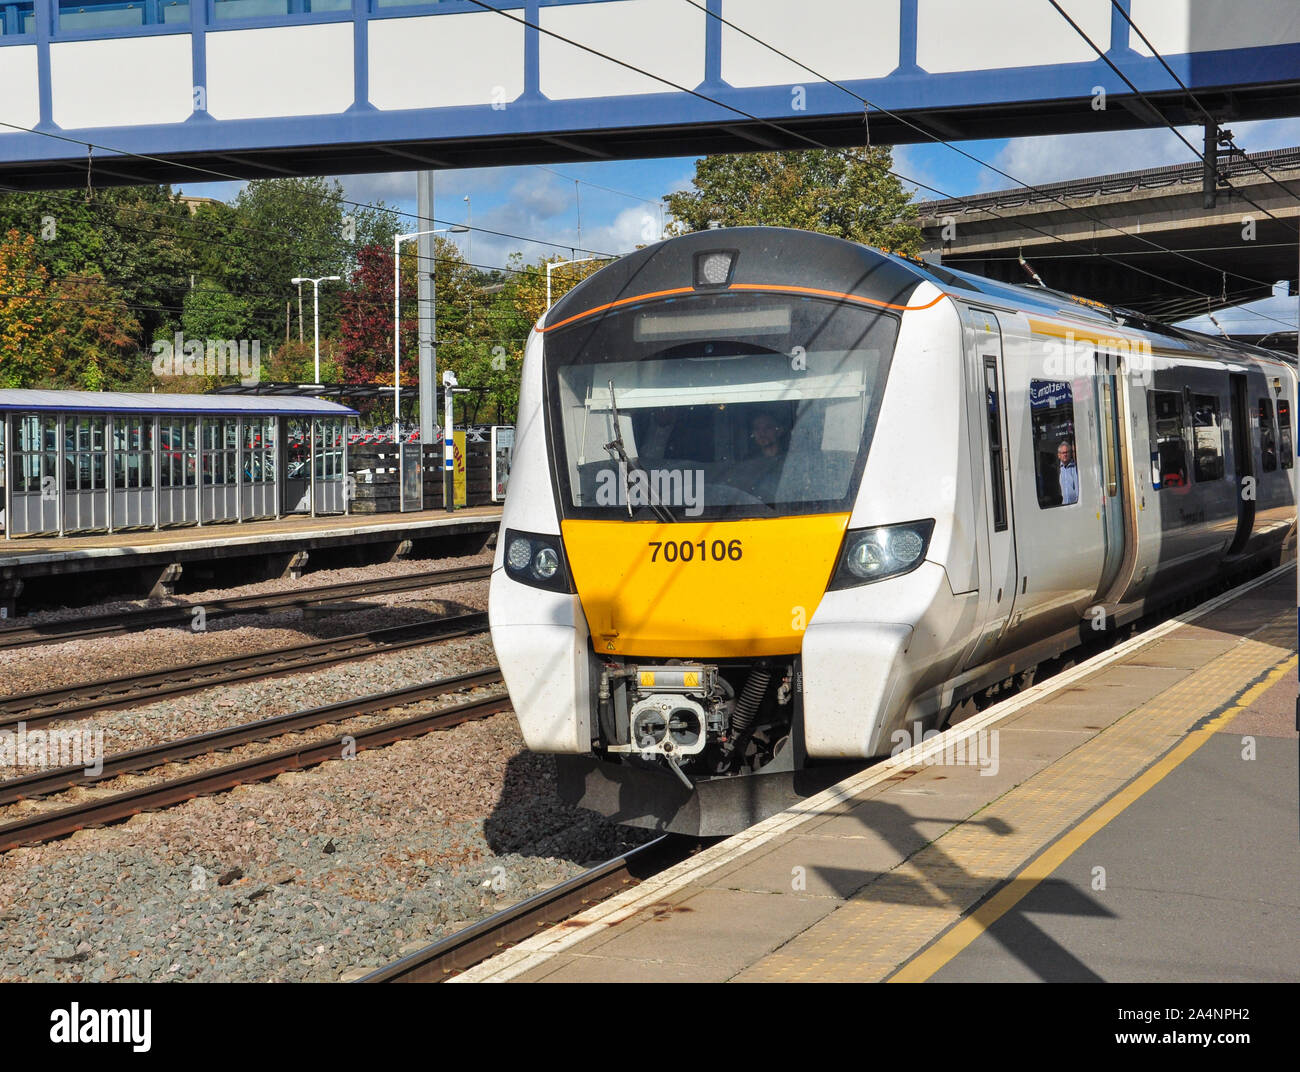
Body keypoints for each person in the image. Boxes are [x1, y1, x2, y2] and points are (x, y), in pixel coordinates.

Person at [1056, 438, 1078, 505]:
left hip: (1075, 505)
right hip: (1064, 506)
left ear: (1070, 454)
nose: (1065, 455)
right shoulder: (1058, 470)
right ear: (1059, 455)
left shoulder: (1075, 468)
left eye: (1067, 452)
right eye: (1063, 453)